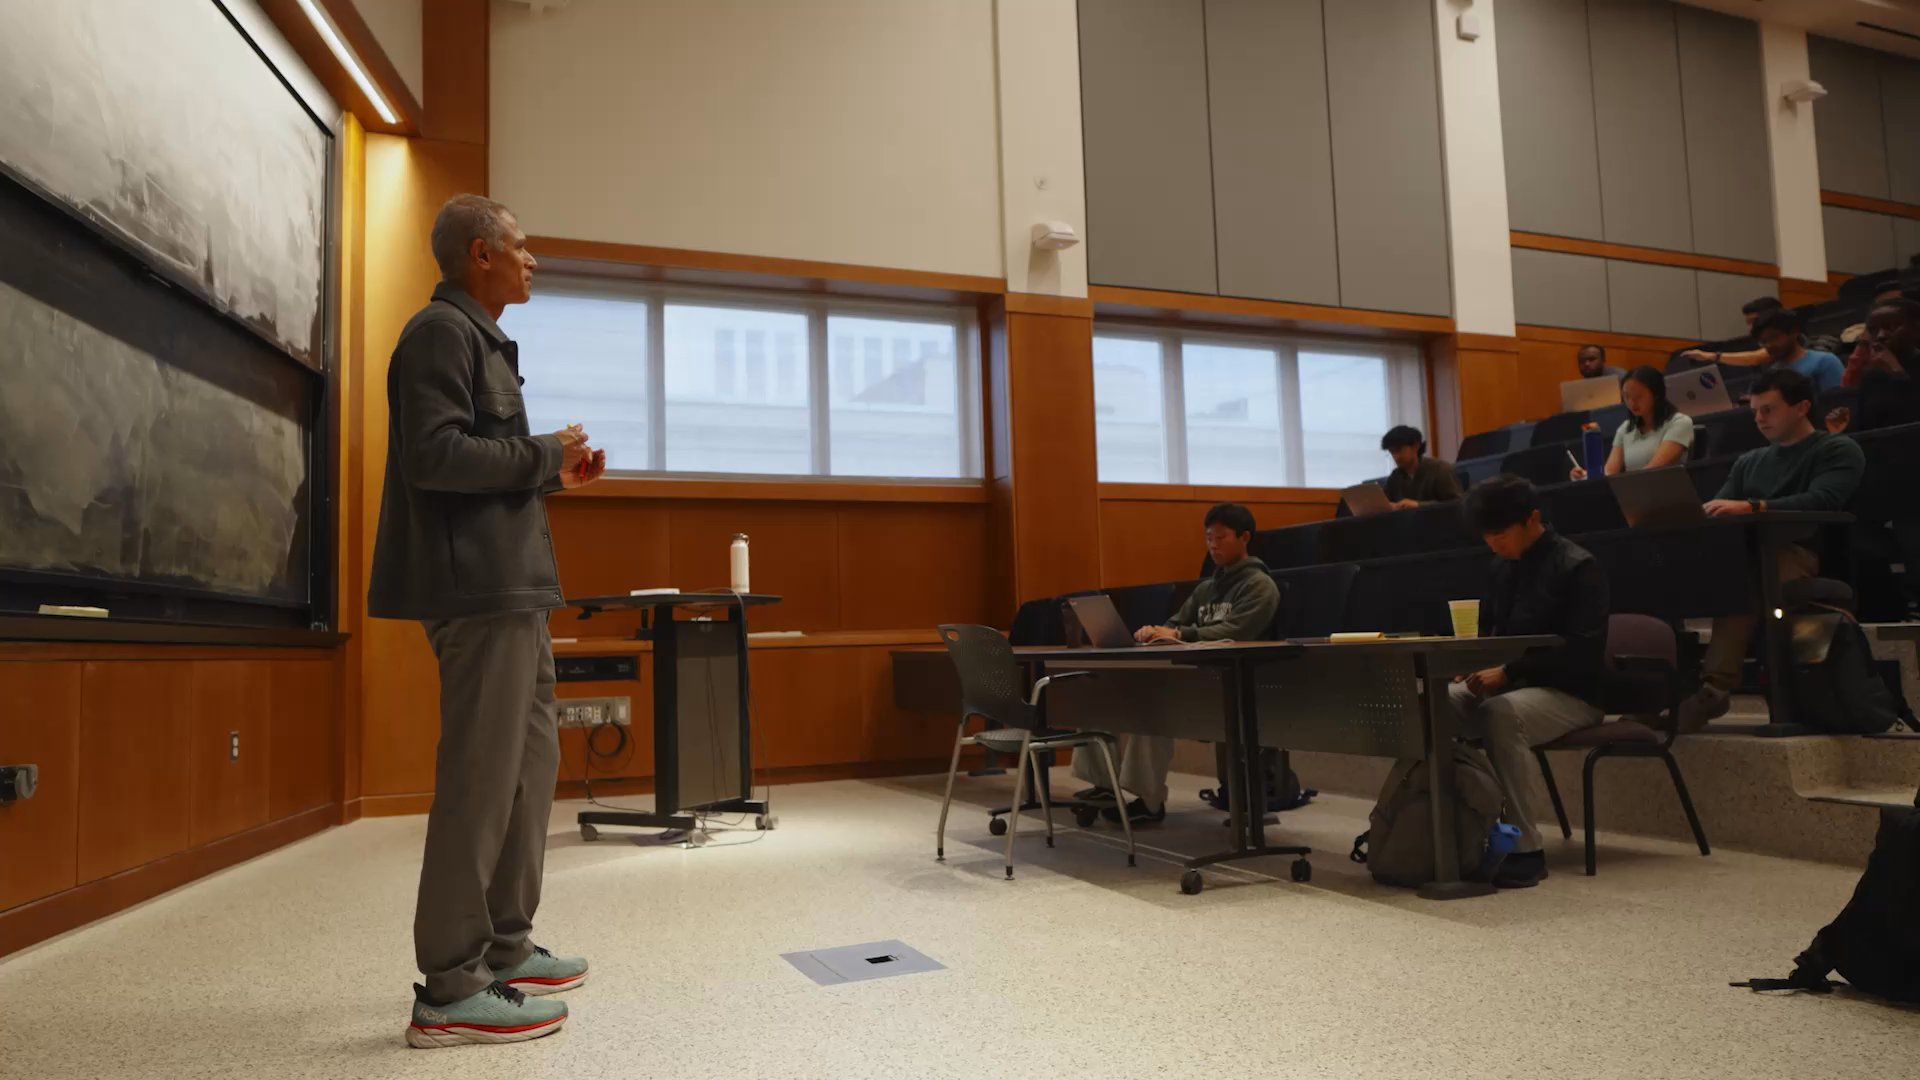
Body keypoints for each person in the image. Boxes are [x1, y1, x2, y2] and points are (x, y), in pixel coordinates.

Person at [370, 194, 606, 1049]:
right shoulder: (440, 334)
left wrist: (552, 474)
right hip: (477, 595)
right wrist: (542, 452)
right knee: (481, 779)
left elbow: (483, 467)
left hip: (515, 589)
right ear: (480, 254)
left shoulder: (480, 339)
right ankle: (450, 985)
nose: (531, 259)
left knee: (527, 770)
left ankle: (506, 947)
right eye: (520, 246)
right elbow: (435, 457)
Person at [1449, 476, 1610, 889]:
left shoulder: (1578, 566)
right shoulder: (1502, 567)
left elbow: (1582, 652)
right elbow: (1497, 637)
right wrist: (1472, 665)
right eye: (1487, 536)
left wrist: (1508, 672)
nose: (1493, 544)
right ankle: (1448, 836)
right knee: (1441, 702)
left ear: (1532, 519)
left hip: (1574, 692)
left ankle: (1525, 850)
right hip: (1517, 685)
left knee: (1500, 714)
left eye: (1500, 534)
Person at [1681, 368, 1866, 728]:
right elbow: (1720, 508)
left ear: (1802, 407)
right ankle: (1669, 686)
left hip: (1803, 554)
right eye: (1755, 411)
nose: (1759, 419)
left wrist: (1753, 507)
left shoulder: (1837, 449)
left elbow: (1823, 500)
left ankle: (1714, 689)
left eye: (1769, 409)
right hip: (1748, 554)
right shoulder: (1749, 461)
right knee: (1672, 568)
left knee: (1747, 575)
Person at [1074, 503, 1281, 824]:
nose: (1213, 545)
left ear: (1244, 538)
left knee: (1152, 708)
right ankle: (1103, 785)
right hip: (1193, 679)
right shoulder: (1206, 588)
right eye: (1208, 538)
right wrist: (1155, 632)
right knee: (1104, 697)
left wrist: (1180, 633)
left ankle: (1148, 801)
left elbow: (1239, 631)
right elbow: (1175, 623)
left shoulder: (1260, 586)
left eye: (1221, 538)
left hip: (1232, 685)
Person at [1568, 366, 1692, 479]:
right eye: (1627, 396)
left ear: (1656, 394)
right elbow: (1610, 471)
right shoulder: (1625, 428)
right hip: (1633, 491)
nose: (1632, 403)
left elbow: (1654, 469)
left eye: (1638, 397)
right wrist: (1585, 476)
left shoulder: (1679, 423)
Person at [1677, 295, 1785, 369]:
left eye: (1754, 322)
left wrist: (1710, 356)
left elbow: (1755, 358)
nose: (1751, 329)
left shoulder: (1785, 337)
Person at [1380, 425, 1463, 510]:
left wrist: (1419, 505)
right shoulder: (1395, 476)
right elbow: (1384, 502)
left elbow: (1457, 504)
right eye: (1392, 452)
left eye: (1399, 450)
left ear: (1415, 446)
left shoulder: (1440, 469)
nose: (1396, 457)